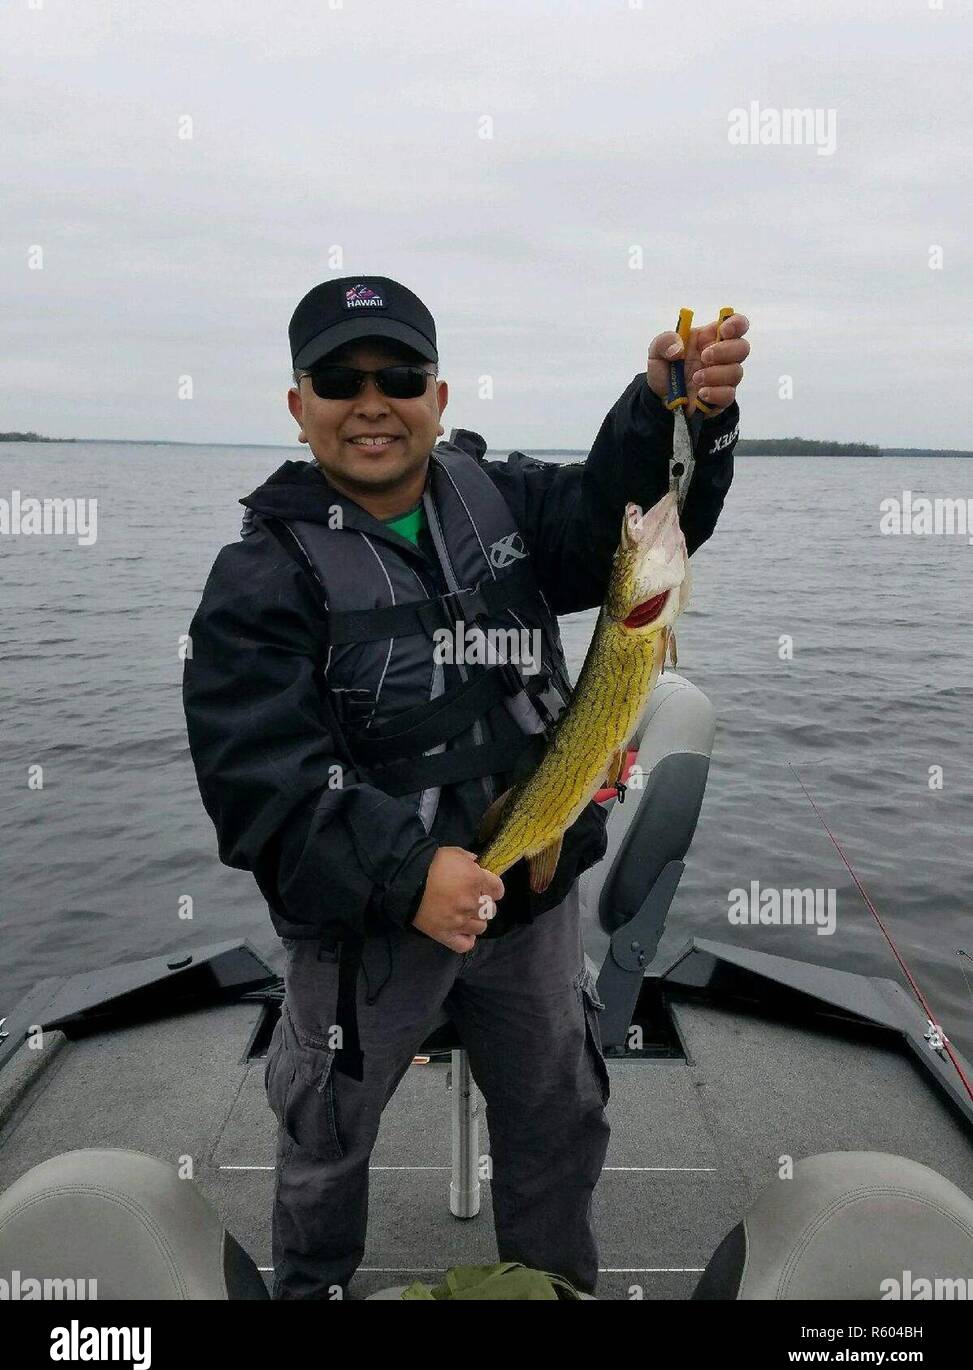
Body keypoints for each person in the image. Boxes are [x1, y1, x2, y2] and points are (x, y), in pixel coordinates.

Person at [182, 275, 749, 1299]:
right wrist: (407, 874)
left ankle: (551, 1286)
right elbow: (257, 783)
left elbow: (615, 515)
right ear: (297, 403)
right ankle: (310, 1286)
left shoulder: (505, 502)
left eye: (398, 374)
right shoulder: (259, 580)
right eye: (339, 380)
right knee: (328, 1127)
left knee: (556, 1111)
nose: (371, 402)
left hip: (526, 907)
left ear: (436, 398)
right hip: (368, 931)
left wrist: (682, 415)